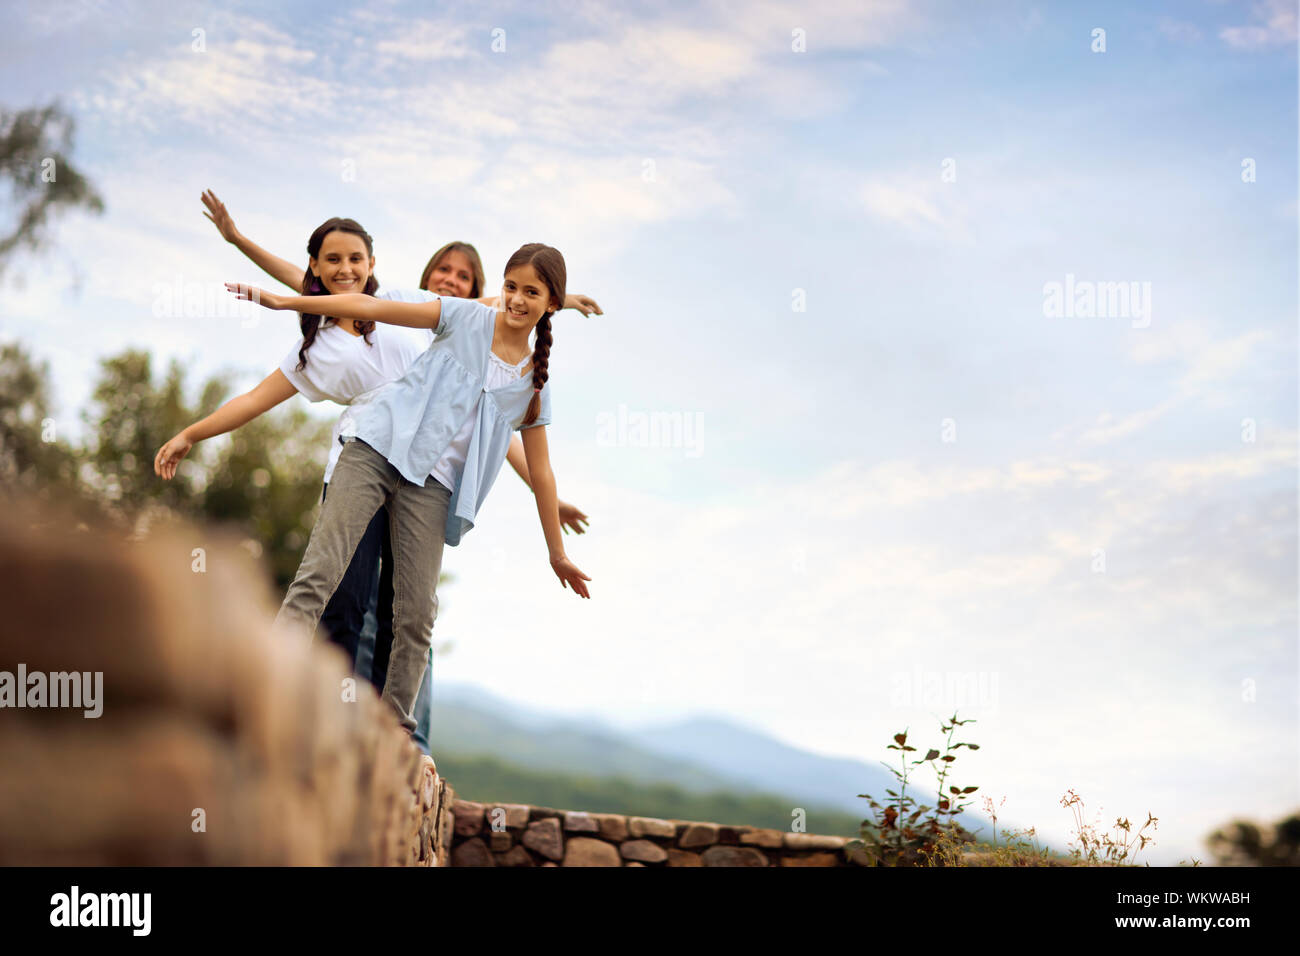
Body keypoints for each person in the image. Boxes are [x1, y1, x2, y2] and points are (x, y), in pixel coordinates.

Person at [159, 199, 593, 750]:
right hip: (374, 447)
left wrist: (555, 548)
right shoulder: (457, 317)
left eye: (532, 292)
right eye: (511, 287)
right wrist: (281, 297)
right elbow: (364, 303)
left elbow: (535, 463)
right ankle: (264, 687)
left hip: (430, 483)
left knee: (415, 613)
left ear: (547, 301)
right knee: (325, 577)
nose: (516, 298)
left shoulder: (529, 377)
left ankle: (395, 737)